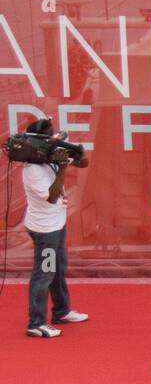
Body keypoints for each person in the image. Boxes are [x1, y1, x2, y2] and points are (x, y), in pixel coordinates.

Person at [23, 124, 90, 338]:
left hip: (57, 225)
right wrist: (62, 167)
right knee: (44, 274)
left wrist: (75, 151)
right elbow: (52, 197)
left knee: (58, 269)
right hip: (45, 231)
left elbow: (83, 163)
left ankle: (61, 311)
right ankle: (36, 323)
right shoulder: (32, 170)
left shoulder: (51, 156)